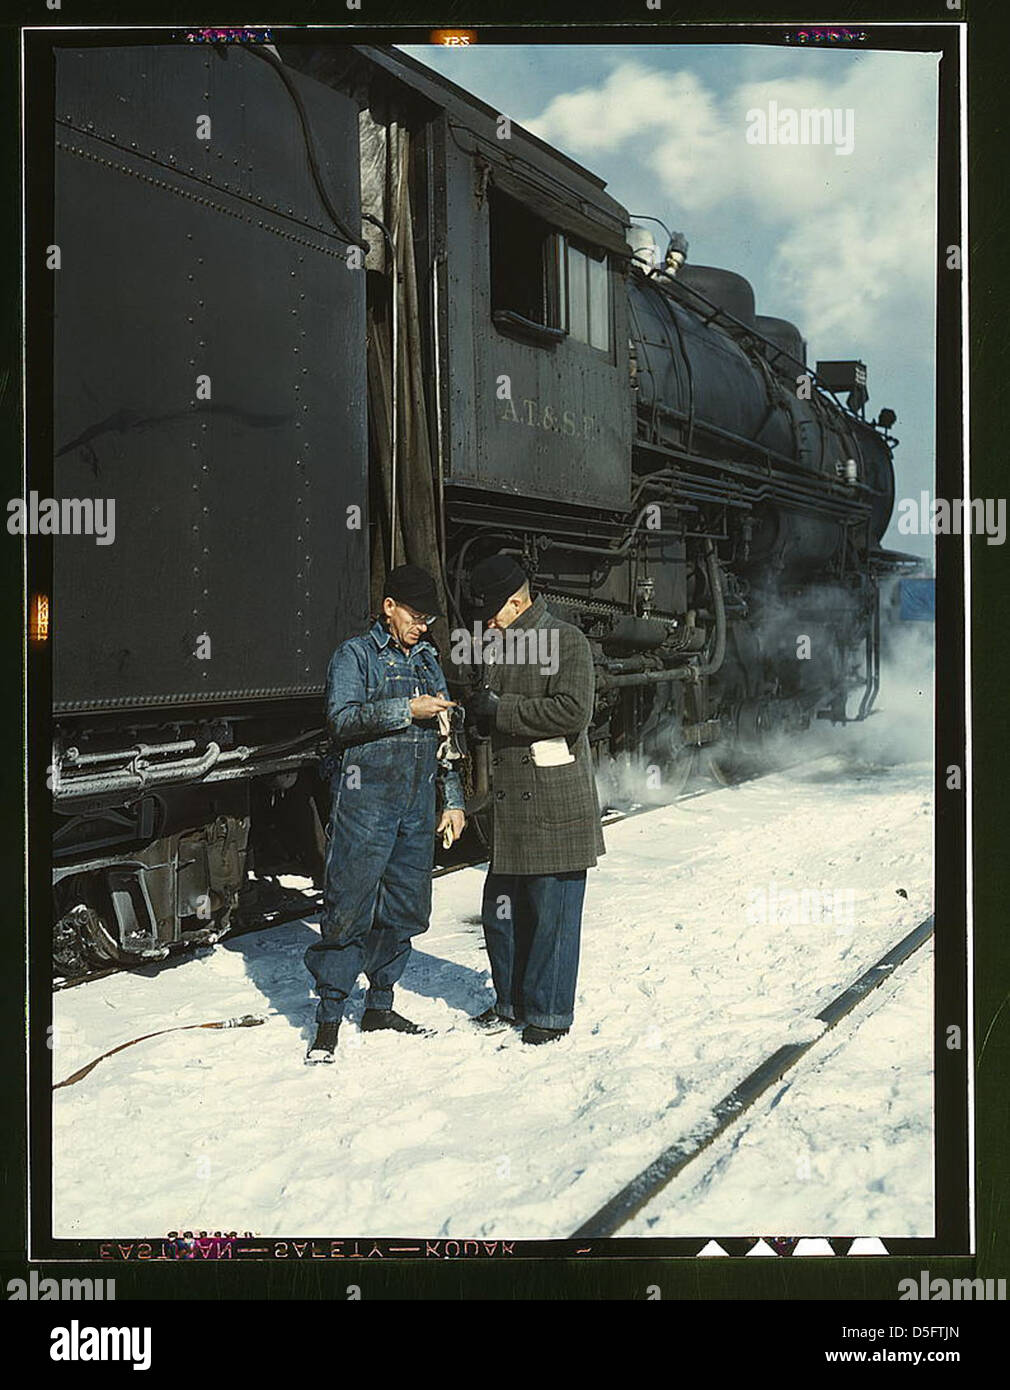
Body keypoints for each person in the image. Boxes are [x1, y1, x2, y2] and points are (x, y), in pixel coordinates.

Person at [304, 564, 465, 1062]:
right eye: (416, 617)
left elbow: (444, 735)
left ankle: (379, 1005)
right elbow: (341, 720)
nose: (423, 627)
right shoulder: (354, 656)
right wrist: (404, 710)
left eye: (430, 620)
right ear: (388, 606)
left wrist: (454, 799)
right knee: (348, 909)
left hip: (416, 807)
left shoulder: (427, 659)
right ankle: (329, 1019)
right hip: (365, 807)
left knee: (404, 909)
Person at [464, 555, 605, 1045]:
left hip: (551, 802)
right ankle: (511, 1002)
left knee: (552, 917)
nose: (487, 621)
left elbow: (573, 712)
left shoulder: (568, 641)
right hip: (511, 808)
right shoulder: (497, 644)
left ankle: (548, 1014)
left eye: (494, 611)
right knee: (501, 911)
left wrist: (502, 711)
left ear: (519, 601)